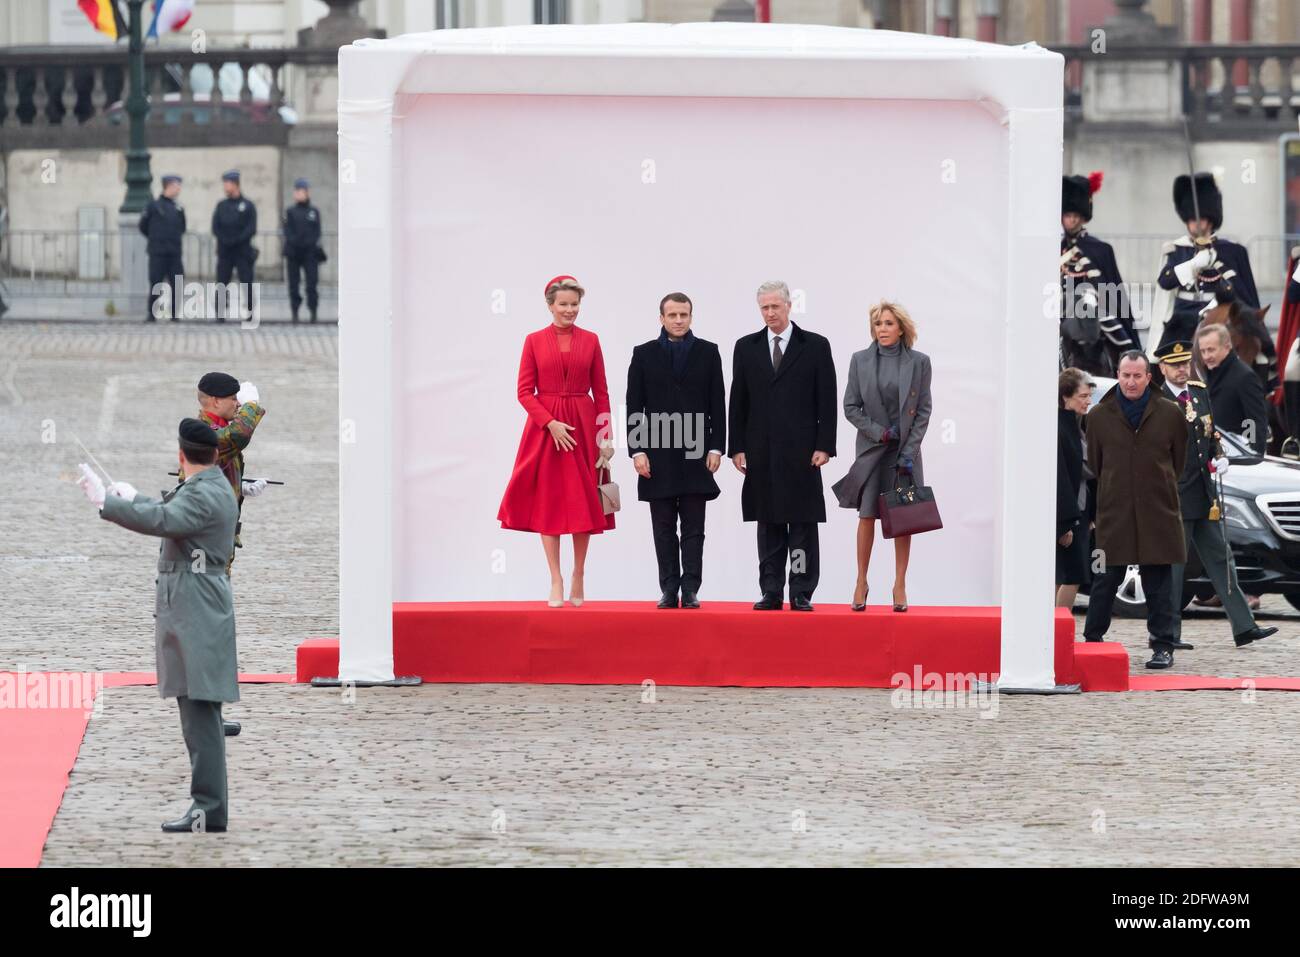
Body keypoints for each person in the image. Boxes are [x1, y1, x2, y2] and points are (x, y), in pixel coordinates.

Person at [78, 419, 240, 833]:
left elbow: (165, 521)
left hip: (197, 610)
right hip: (194, 607)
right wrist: (133, 498)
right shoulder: (210, 485)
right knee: (198, 712)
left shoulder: (204, 492)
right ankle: (208, 806)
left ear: (181, 455)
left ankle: (208, 808)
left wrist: (109, 504)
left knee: (200, 714)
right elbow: (170, 512)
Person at [498, 275, 615, 606]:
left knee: (584, 500)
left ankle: (579, 573)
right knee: (549, 501)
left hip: (582, 425)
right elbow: (523, 392)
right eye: (563, 304)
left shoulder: (591, 340)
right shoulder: (533, 340)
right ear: (550, 305)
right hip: (547, 431)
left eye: (574, 304)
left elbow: (602, 392)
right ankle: (555, 579)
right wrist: (550, 423)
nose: (570, 310)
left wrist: (605, 435)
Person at [1156, 340, 1276, 651]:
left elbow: (1210, 433)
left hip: (1205, 494)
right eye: (1175, 364)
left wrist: (1219, 456)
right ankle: (1167, 634)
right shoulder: (1157, 401)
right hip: (1175, 498)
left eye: (1185, 363)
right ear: (1162, 368)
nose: (1182, 369)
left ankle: (1244, 626)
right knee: (1174, 568)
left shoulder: (1198, 391)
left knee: (1222, 561)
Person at [728, 280, 836, 611]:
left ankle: (801, 590)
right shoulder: (746, 347)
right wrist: (737, 447)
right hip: (761, 451)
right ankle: (771, 590)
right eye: (765, 307)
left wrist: (824, 445)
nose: (770, 312)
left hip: (803, 452)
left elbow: (827, 400)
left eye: (776, 306)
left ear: (790, 306)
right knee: (769, 523)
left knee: (802, 525)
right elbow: (738, 401)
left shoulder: (815, 346)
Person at [1083, 351, 1188, 669]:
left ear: (1148, 377)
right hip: (1115, 512)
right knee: (1105, 578)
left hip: (1157, 510)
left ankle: (1162, 646)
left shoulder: (1170, 413)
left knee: (1159, 584)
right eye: (1125, 375)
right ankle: (1092, 641)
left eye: (1137, 376)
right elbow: (1096, 464)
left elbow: (1178, 462)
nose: (1130, 381)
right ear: (1118, 375)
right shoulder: (1099, 415)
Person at [625, 292, 725, 609]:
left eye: (684, 315)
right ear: (662, 318)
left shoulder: (709, 353)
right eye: (672, 315)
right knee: (664, 527)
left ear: (691, 317)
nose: (679, 320)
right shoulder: (643, 354)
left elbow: (717, 403)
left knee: (695, 528)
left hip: (697, 451)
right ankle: (669, 589)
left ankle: (691, 588)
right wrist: (637, 450)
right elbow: (634, 404)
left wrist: (716, 447)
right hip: (657, 452)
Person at [831, 300, 931, 613]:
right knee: (866, 515)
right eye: (878, 323)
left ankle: (899, 583)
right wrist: (878, 431)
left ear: (901, 328)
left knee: (904, 517)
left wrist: (909, 450)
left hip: (905, 452)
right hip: (873, 449)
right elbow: (850, 406)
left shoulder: (919, 362)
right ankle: (861, 580)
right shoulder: (859, 360)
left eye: (888, 323)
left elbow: (924, 410)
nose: (882, 329)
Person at [1149, 172, 1276, 389]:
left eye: (1201, 219)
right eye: (1191, 219)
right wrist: (1194, 263)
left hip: (1219, 307)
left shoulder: (1232, 251)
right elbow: (1165, 281)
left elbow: (1241, 292)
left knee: (1258, 346)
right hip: (1185, 312)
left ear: (1211, 220)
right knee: (1158, 358)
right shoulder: (1177, 249)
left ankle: (1264, 392)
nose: (1196, 224)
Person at [1059, 172, 1137, 374]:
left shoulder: (1100, 249)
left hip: (1093, 306)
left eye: (1076, 216)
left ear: (1083, 217)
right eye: (1068, 215)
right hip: (1058, 306)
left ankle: (1128, 369)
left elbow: (1111, 289)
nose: (1072, 220)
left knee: (1121, 338)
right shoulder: (1054, 247)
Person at [196, 372, 268, 580]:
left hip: (218, 536)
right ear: (216, 401)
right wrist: (252, 405)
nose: (238, 404)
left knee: (215, 602)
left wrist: (240, 485)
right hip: (204, 538)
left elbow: (216, 470)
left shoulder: (217, 429)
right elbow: (238, 435)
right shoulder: (201, 433)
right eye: (234, 399)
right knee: (205, 602)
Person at [1199, 323, 1269, 455]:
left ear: (1227, 346)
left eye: (1211, 350)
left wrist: (1252, 454)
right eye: (1203, 351)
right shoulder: (1211, 374)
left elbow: (1255, 421)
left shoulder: (1245, 377)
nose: (1206, 356)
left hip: (1236, 456)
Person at [1056, 367, 1092, 609]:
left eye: (1089, 396)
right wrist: (1066, 522)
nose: (1088, 401)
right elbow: (1060, 477)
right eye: (1083, 396)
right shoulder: (1059, 427)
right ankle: (1057, 630)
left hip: (1077, 512)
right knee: (1070, 576)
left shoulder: (1074, 424)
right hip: (1068, 515)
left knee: (1067, 576)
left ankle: (1055, 630)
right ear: (1065, 397)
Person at [211, 169, 257, 322]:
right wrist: (225, 239)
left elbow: (251, 228)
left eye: (227, 183)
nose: (225, 187)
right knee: (222, 282)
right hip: (225, 251)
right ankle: (220, 313)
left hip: (242, 251)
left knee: (246, 282)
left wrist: (237, 240)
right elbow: (215, 226)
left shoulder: (248, 205)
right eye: (224, 183)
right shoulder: (221, 205)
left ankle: (249, 312)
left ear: (236, 184)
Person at [140, 173, 186, 322]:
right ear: (169, 186)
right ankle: (151, 313)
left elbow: (182, 227)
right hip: (158, 252)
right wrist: (155, 238)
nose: (179, 188)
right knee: (156, 284)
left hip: (174, 252)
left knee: (177, 283)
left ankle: (175, 314)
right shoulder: (153, 206)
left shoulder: (178, 208)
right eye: (177, 185)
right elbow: (143, 226)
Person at [282, 177, 322, 323]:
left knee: (312, 284)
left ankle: (313, 312)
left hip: (310, 254)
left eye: (301, 191)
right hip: (293, 253)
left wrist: (307, 244)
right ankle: (295, 312)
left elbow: (316, 232)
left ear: (307, 193)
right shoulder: (290, 211)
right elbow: (287, 232)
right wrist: (297, 244)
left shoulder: (314, 211)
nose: (298, 194)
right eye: (296, 191)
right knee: (294, 285)